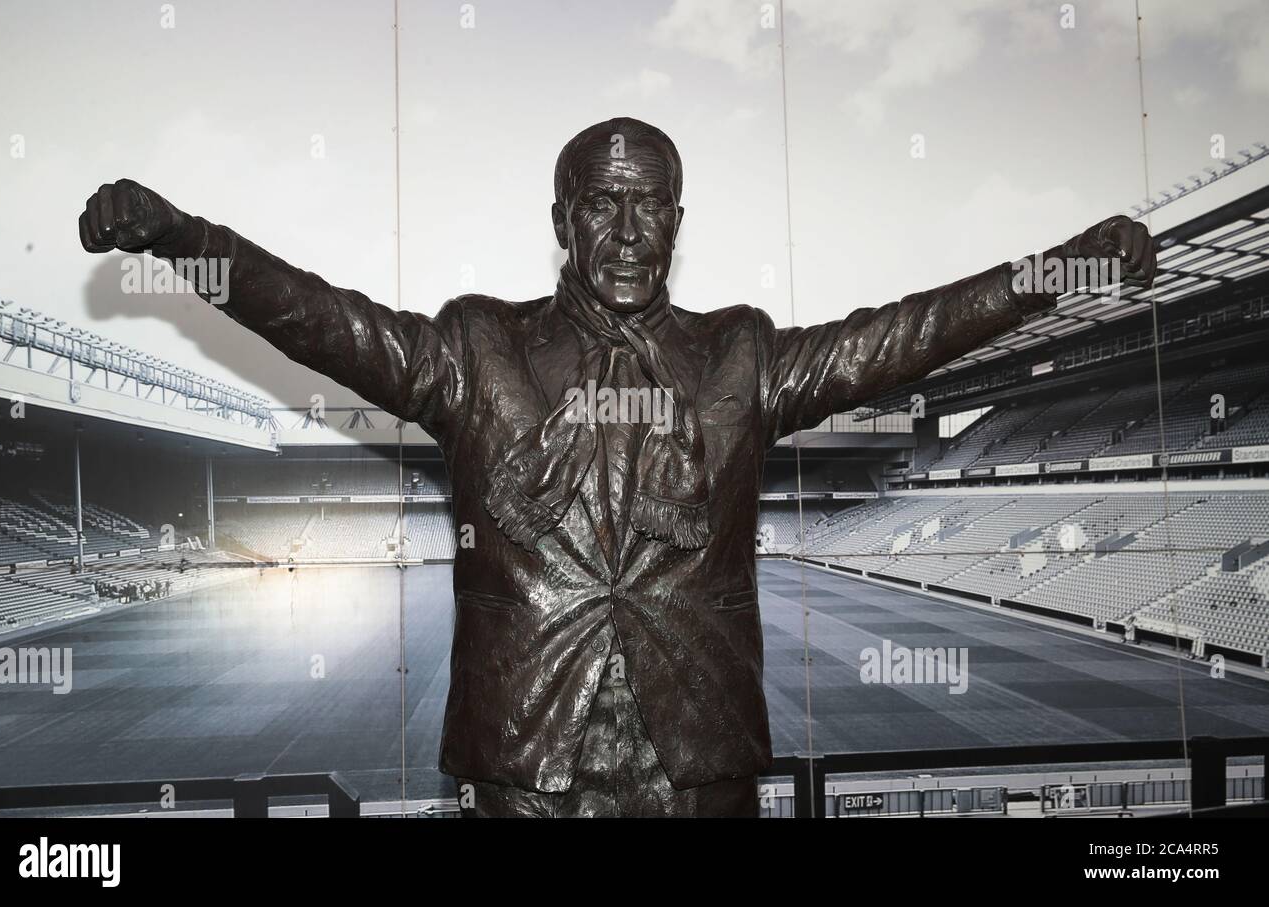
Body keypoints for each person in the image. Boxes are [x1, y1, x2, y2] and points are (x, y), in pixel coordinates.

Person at [79, 117, 1155, 817]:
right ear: (561, 220)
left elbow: (904, 335)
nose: (629, 230)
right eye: (603, 201)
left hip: (698, 761)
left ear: (679, 223)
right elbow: (317, 320)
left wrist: (1051, 272)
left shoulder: (739, 354)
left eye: (651, 205)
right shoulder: (474, 346)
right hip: (526, 758)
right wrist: (181, 238)